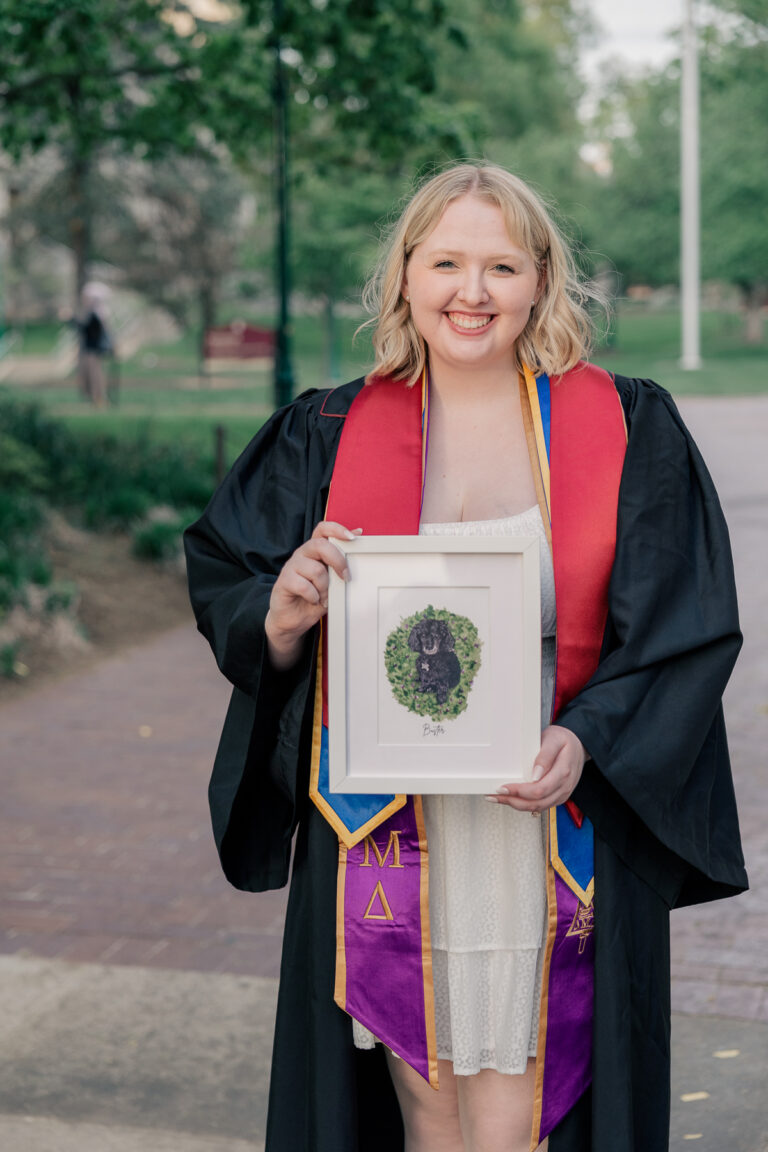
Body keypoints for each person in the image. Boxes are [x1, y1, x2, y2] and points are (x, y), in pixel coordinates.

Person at [184, 163, 747, 1152]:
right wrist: (281, 614)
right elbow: (229, 569)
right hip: (383, 837)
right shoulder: (327, 431)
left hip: (545, 819)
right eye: (445, 262)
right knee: (425, 1116)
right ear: (407, 275)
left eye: (500, 265)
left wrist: (588, 737)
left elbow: (681, 624)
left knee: (520, 1118)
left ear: (541, 279)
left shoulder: (626, 427)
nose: (472, 293)